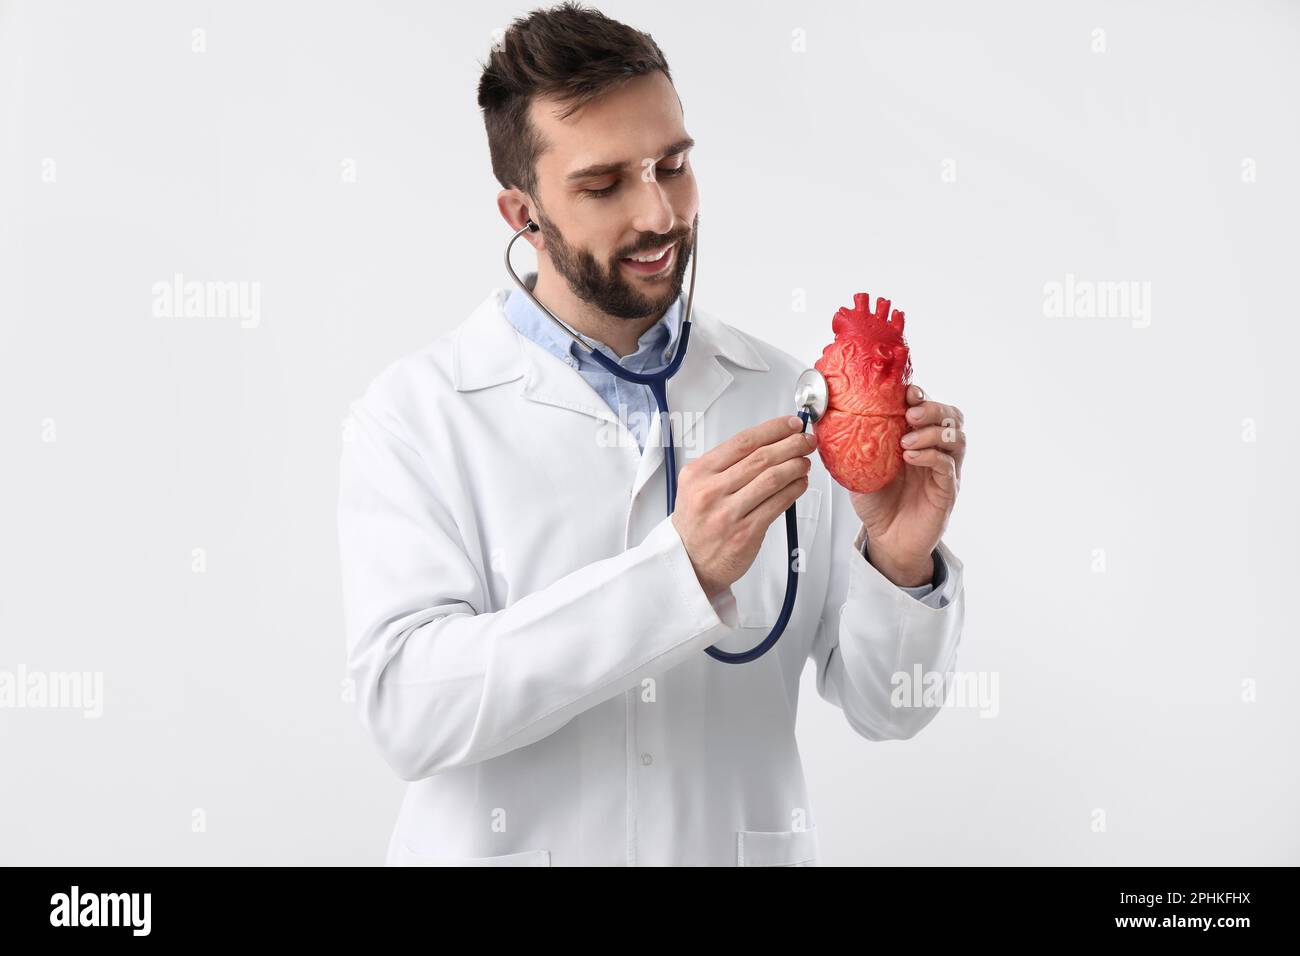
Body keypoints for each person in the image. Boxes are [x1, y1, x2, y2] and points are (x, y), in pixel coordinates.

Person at [337, 1, 968, 867]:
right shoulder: (418, 413)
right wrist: (677, 575)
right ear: (521, 212)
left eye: (672, 165)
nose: (661, 214)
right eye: (603, 186)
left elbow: (890, 706)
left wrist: (899, 563)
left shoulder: (787, 395)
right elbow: (409, 713)